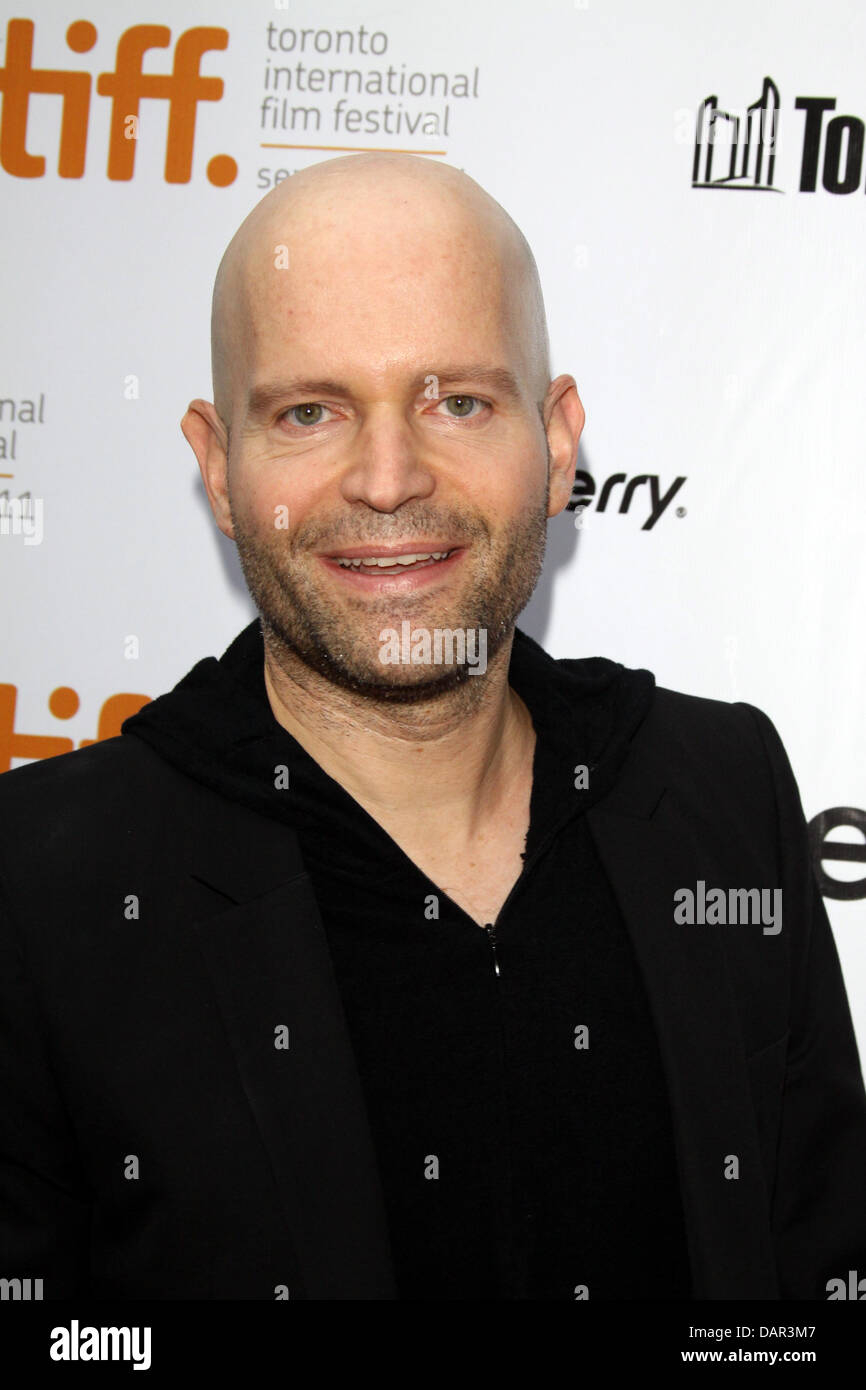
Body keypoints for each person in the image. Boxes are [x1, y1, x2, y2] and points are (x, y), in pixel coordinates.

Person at [1, 153, 864, 1301]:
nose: (389, 478)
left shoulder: (719, 790)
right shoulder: (43, 884)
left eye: (456, 400)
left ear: (557, 442)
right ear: (218, 466)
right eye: (310, 412)